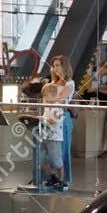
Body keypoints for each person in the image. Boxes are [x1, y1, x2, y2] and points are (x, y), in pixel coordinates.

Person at [38, 55, 74, 189]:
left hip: (61, 119)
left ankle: (62, 180)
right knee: (45, 154)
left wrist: (47, 92)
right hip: (47, 119)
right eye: (54, 65)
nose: (55, 68)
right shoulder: (50, 84)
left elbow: (59, 99)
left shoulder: (69, 83)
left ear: (64, 66)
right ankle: (52, 177)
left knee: (60, 152)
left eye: (58, 65)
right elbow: (45, 101)